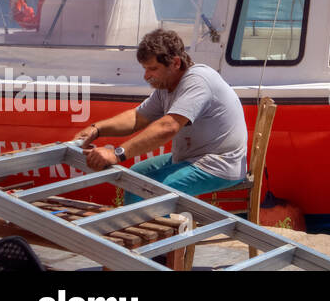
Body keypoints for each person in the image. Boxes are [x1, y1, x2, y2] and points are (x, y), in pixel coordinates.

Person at [76, 28, 248, 199]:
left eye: (152, 69)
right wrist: (96, 129)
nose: (146, 76)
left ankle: (160, 226)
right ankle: (151, 223)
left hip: (219, 165)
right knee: (134, 176)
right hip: (191, 156)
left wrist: (116, 154)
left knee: (144, 191)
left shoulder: (197, 81)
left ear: (176, 63)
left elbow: (168, 127)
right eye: (145, 69)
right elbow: (137, 118)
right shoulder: (167, 84)